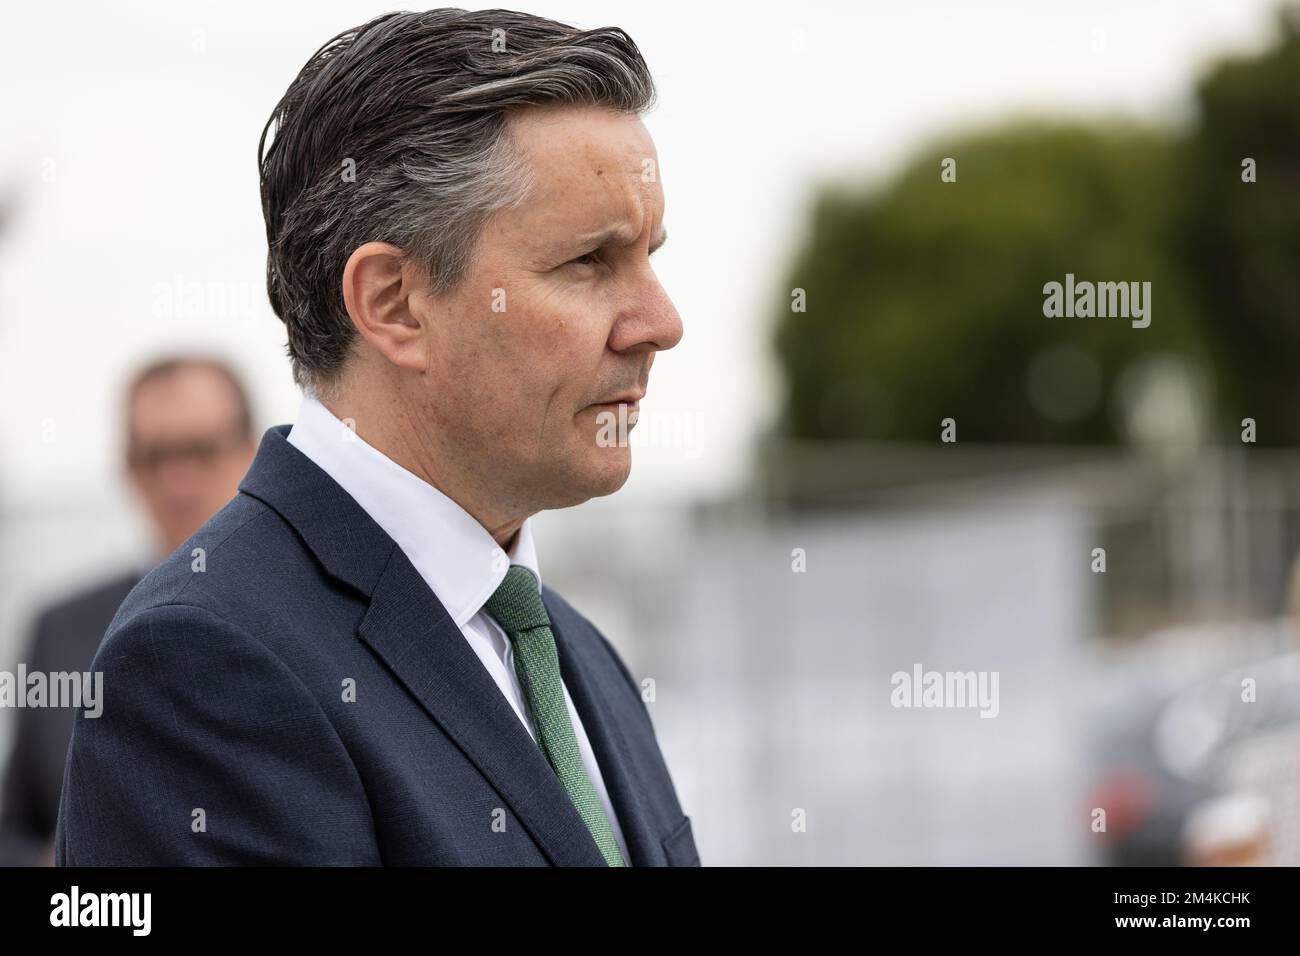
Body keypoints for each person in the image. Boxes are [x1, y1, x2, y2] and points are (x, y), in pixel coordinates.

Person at [56, 9, 696, 866]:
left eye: (651, 255)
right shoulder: (203, 667)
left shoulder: (577, 655)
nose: (661, 321)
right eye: (589, 262)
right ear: (394, 304)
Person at [0, 357, 256, 865]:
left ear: (252, 451)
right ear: (125, 467)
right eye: (154, 455)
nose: (177, 479)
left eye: (201, 451)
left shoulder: (313, 614)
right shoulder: (60, 630)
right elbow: (13, 825)